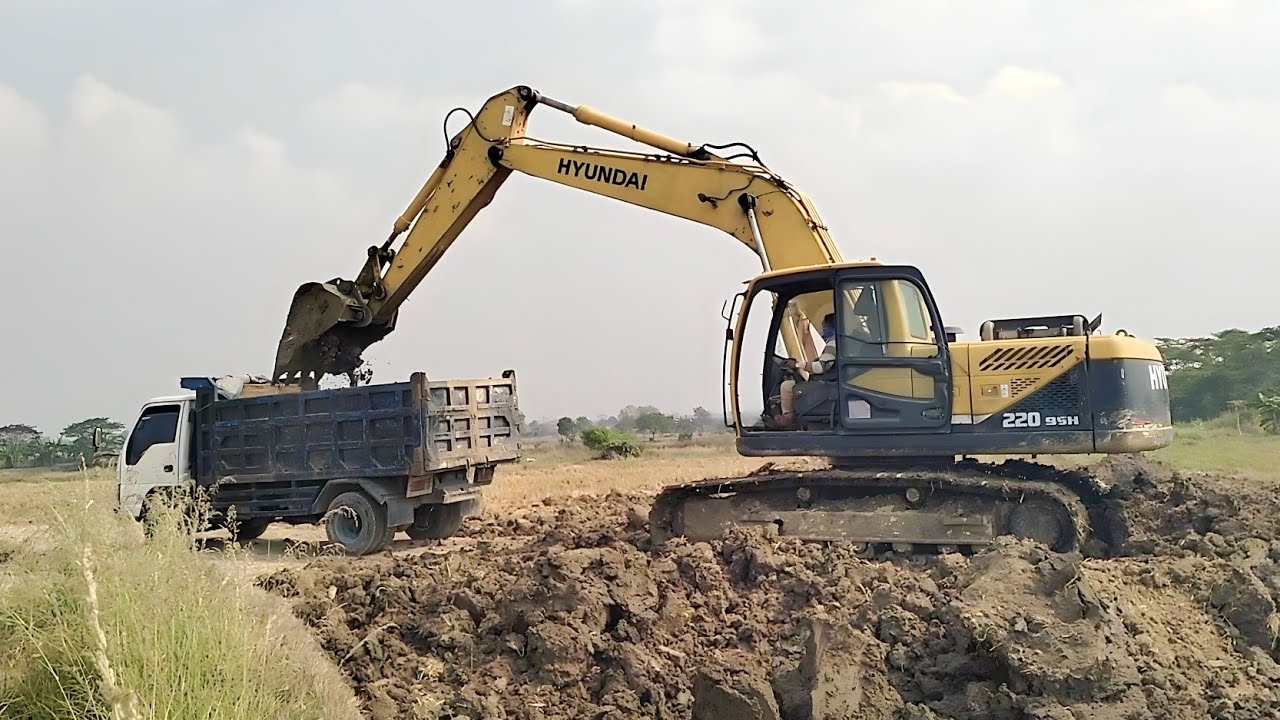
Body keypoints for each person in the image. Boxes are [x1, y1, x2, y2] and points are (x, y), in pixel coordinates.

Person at [776, 313, 837, 426]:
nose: (823, 331)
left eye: (825, 327)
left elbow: (820, 367)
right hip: (830, 384)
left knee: (787, 386)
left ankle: (788, 417)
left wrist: (797, 365)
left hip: (827, 387)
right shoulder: (840, 343)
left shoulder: (833, 344)